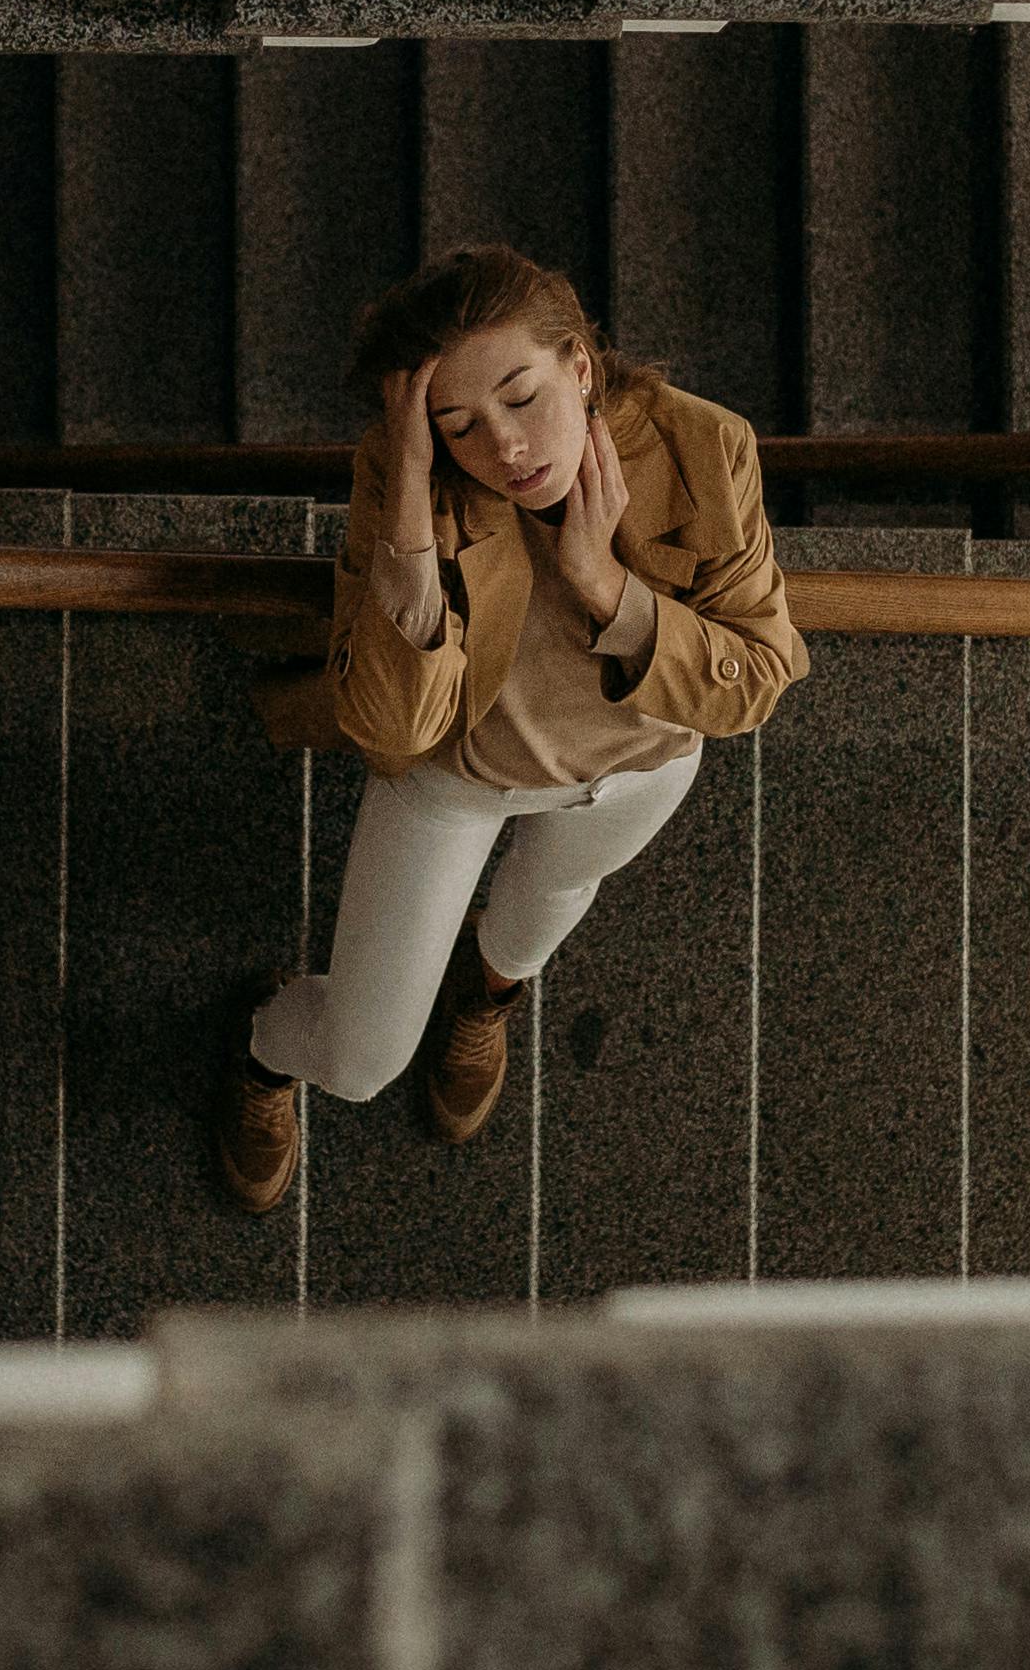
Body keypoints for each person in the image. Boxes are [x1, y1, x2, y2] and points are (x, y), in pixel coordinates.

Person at [226, 244, 809, 1210]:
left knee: (550, 899)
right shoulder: (405, 472)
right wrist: (411, 513)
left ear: (581, 366)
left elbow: (754, 681)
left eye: (522, 396)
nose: (504, 447)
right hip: (460, 776)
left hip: (641, 765)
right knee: (363, 1057)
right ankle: (263, 1052)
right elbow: (387, 726)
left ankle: (489, 996)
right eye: (458, 423)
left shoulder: (705, 446)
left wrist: (608, 589)